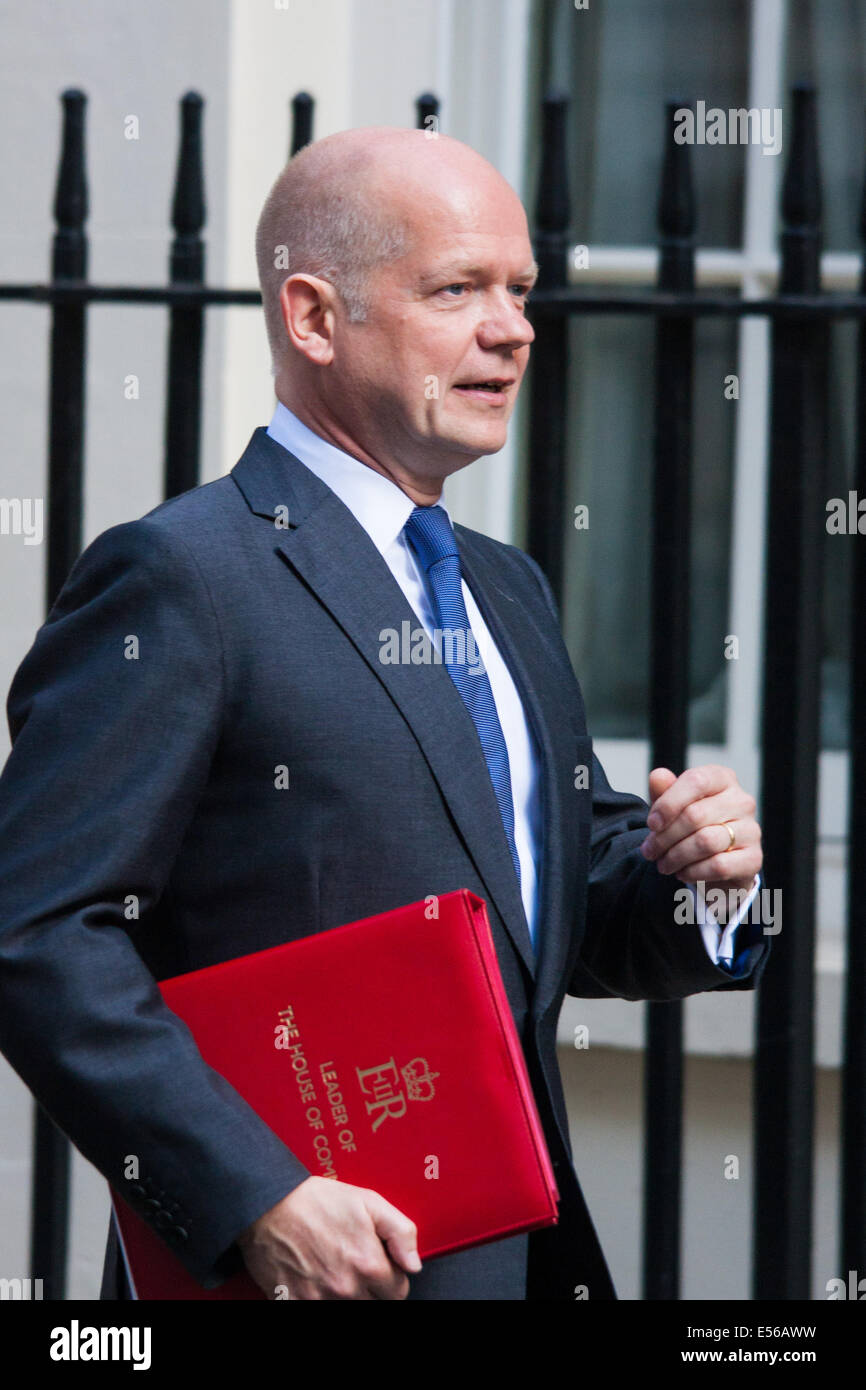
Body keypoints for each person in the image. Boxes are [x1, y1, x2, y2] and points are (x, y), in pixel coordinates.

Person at [0, 127, 766, 1302]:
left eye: (518, 289)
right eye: (456, 288)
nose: (509, 328)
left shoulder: (505, 585)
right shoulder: (181, 577)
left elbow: (548, 913)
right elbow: (37, 932)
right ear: (312, 316)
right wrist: (253, 1195)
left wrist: (695, 882)